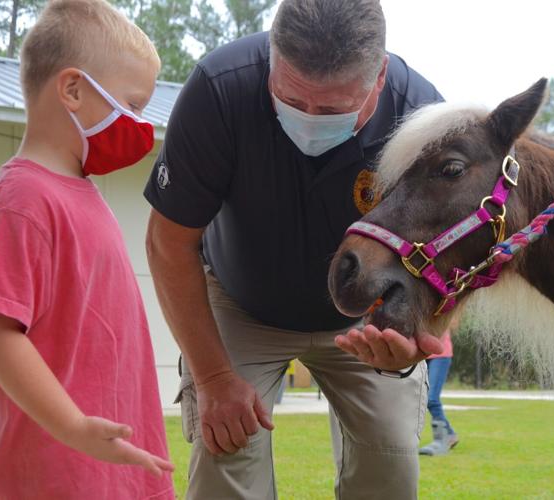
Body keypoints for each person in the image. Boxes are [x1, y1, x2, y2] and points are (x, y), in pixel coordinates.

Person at [143, 1, 445, 498]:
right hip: (241, 305)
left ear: (379, 77)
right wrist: (214, 377)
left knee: (390, 461)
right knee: (227, 453)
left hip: (365, 318)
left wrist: (415, 334)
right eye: (289, 97)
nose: (307, 119)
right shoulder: (221, 88)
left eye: (331, 109)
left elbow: (450, 252)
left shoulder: (421, 115)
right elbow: (168, 242)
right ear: (272, 55)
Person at [0, 0, 174, 497]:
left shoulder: (82, 192)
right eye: (133, 104)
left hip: (116, 468)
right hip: (62, 475)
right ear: (74, 89)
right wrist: (76, 429)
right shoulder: (22, 200)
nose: (139, 123)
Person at [419, 330, 460, 456]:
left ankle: (443, 438)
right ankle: (450, 434)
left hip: (440, 355)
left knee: (432, 399)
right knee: (422, 397)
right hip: (421, 356)